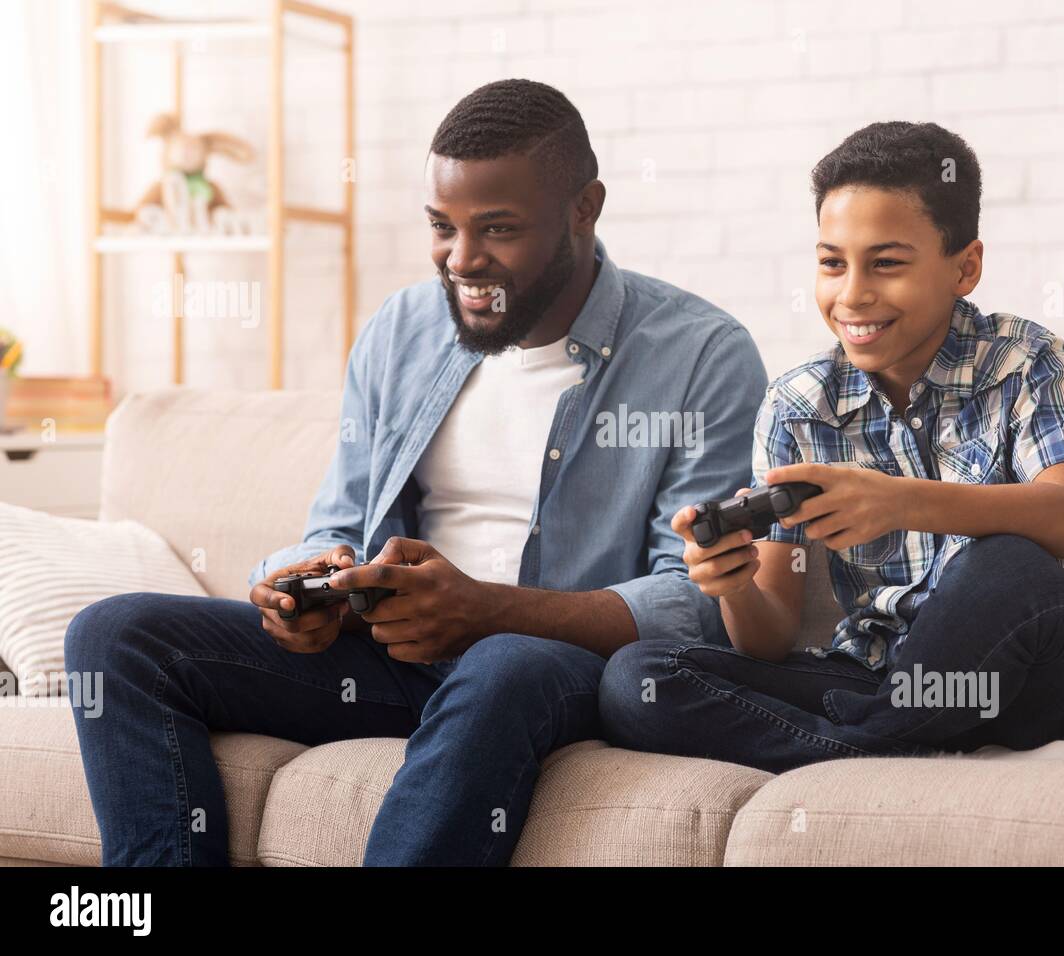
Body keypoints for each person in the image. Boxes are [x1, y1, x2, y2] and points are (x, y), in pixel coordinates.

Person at [65, 79, 767, 866]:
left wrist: (486, 611)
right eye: (442, 227)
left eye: (497, 229)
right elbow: (339, 520)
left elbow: (695, 603)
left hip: (549, 669)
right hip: (390, 661)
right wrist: (306, 584)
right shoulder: (402, 329)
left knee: (503, 661)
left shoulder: (701, 352)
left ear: (585, 207)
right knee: (116, 633)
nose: (462, 260)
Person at [599, 121, 1064, 774]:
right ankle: (881, 749)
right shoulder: (797, 406)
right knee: (636, 678)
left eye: (886, 263)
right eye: (831, 263)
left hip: (1022, 685)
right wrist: (733, 586)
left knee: (1009, 564)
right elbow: (768, 640)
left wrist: (900, 501)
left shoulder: (1020, 358)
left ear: (966, 266)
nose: (851, 294)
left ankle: (857, 747)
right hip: (877, 678)